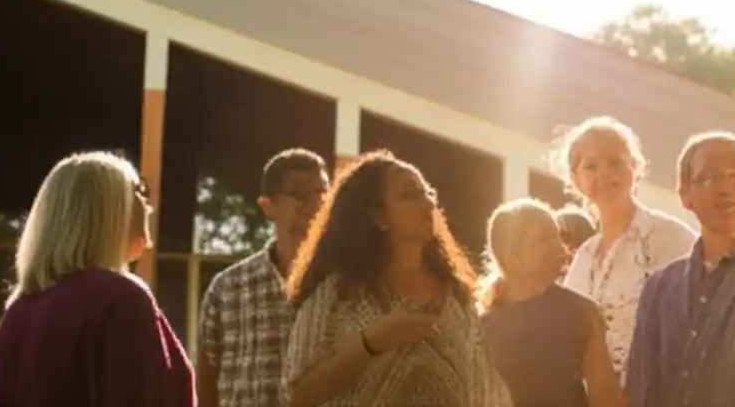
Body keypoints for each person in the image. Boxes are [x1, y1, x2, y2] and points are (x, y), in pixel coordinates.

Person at [282, 150, 511, 407]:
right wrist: (372, 342)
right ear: (377, 215)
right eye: (410, 195)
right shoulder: (338, 293)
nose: (428, 204)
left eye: (428, 193)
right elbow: (299, 396)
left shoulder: (457, 295)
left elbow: (488, 391)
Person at [0, 152, 195, 406]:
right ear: (107, 211)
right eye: (138, 190)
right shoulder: (119, 300)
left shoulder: (18, 312)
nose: (147, 204)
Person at [625, 131, 735, 407]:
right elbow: (640, 390)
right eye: (709, 178)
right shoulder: (660, 287)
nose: (725, 188)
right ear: (685, 195)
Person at [560, 116, 696, 382]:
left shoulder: (670, 238)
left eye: (614, 162)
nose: (603, 174)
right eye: (591, 166)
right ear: (576, 179)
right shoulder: (584, 257)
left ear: (635, 167)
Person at [198, 148, 330, 407]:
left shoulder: (344, 284)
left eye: (321, 193)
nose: (314, 204)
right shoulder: (228, 289)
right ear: (268, 207)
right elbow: (207, 384)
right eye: (299, 195)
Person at [479, 198, 623, 407]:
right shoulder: (479, 330)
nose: (561, 248)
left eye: (558, 236)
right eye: (544, 239)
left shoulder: (582, 313)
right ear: (513, 261)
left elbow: (607, 401)